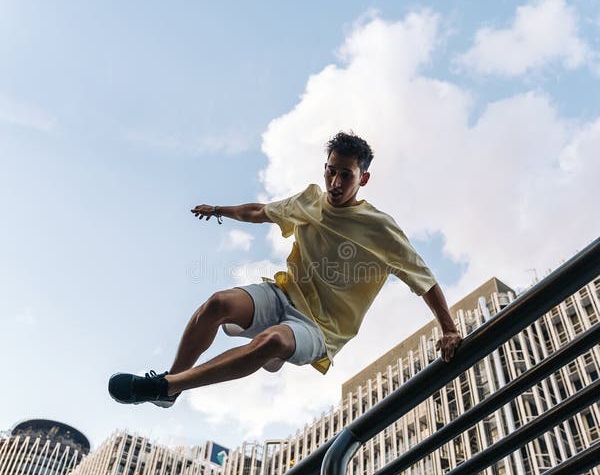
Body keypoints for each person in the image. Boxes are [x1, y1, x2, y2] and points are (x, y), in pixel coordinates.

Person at [109, 132, 461, 408]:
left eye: (346, 176)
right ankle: (169, 388)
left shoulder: (380, 228)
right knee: (218, 304)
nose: (336, 183)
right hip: (283, 295)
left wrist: (449, 329)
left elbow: (424, 280)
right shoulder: (309, 201)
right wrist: (218, 209)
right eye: (331, 171)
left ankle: (168, 386)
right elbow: (258, 211)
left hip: (321, 330)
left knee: (274, 340)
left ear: (363, 178)